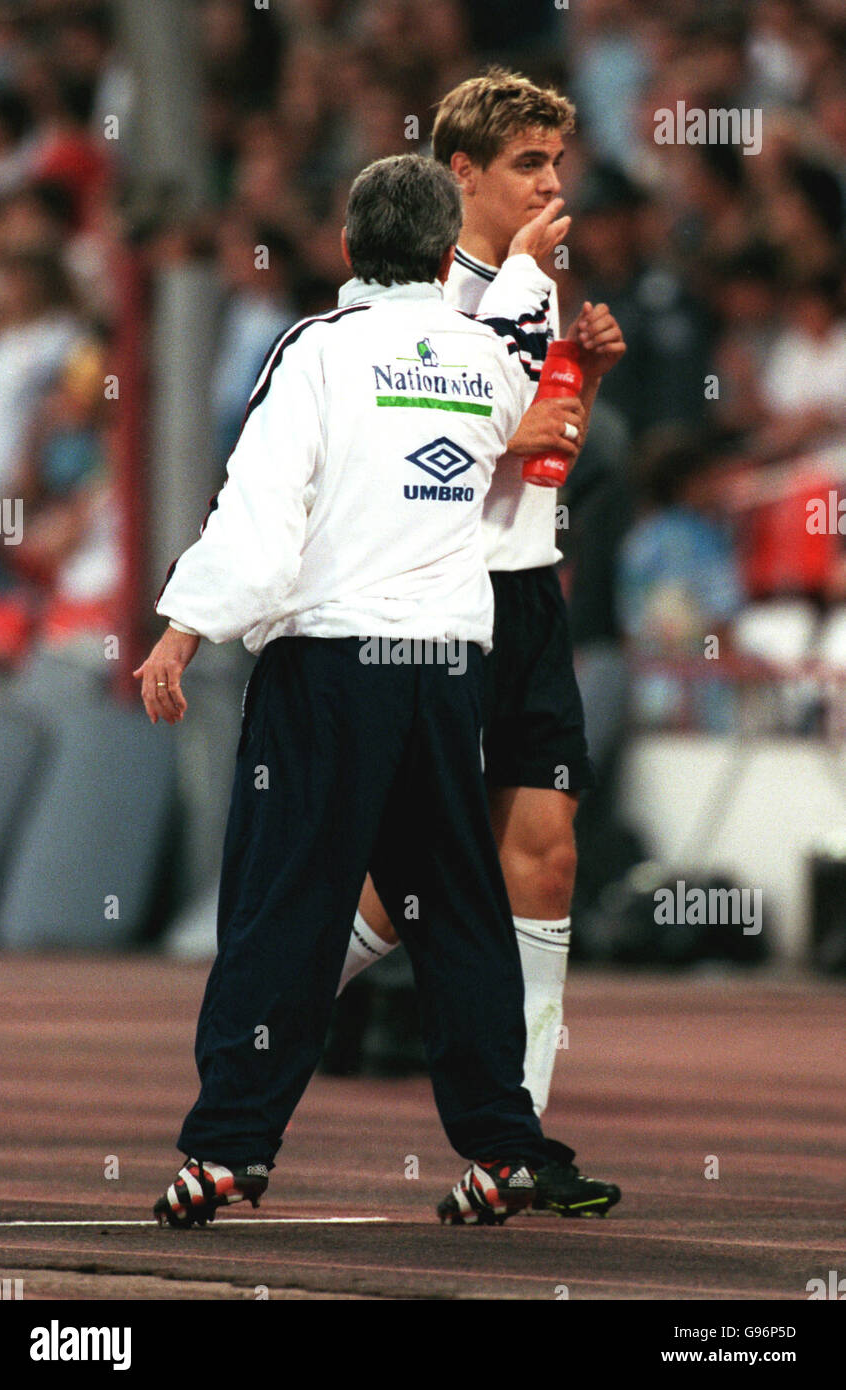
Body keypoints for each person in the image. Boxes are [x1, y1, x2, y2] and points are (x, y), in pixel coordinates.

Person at [135, 153, 599, 1229]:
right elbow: (523, 420)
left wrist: (179, 631)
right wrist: (528, 275)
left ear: (346, 249)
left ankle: (227, 1150)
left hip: (331, 672)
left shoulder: (317, 351)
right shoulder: (481, 360)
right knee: (460, 918)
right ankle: (503, 1147)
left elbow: (257, 516)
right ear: (445, 256)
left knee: (279, 913)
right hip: (444, 675)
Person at [335, 68, 626, 1218]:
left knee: (545, 853)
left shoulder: (533, 291)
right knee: (417, 882)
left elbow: (540, 456)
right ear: (460, 173)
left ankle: (516, 1141)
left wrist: (584, 378)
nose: (551, 183)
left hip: (526, 594)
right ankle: (271, 1010)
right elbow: (430, 450)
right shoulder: (413, 295)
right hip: (443, 600)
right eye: (526, 165)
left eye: (555, 163)